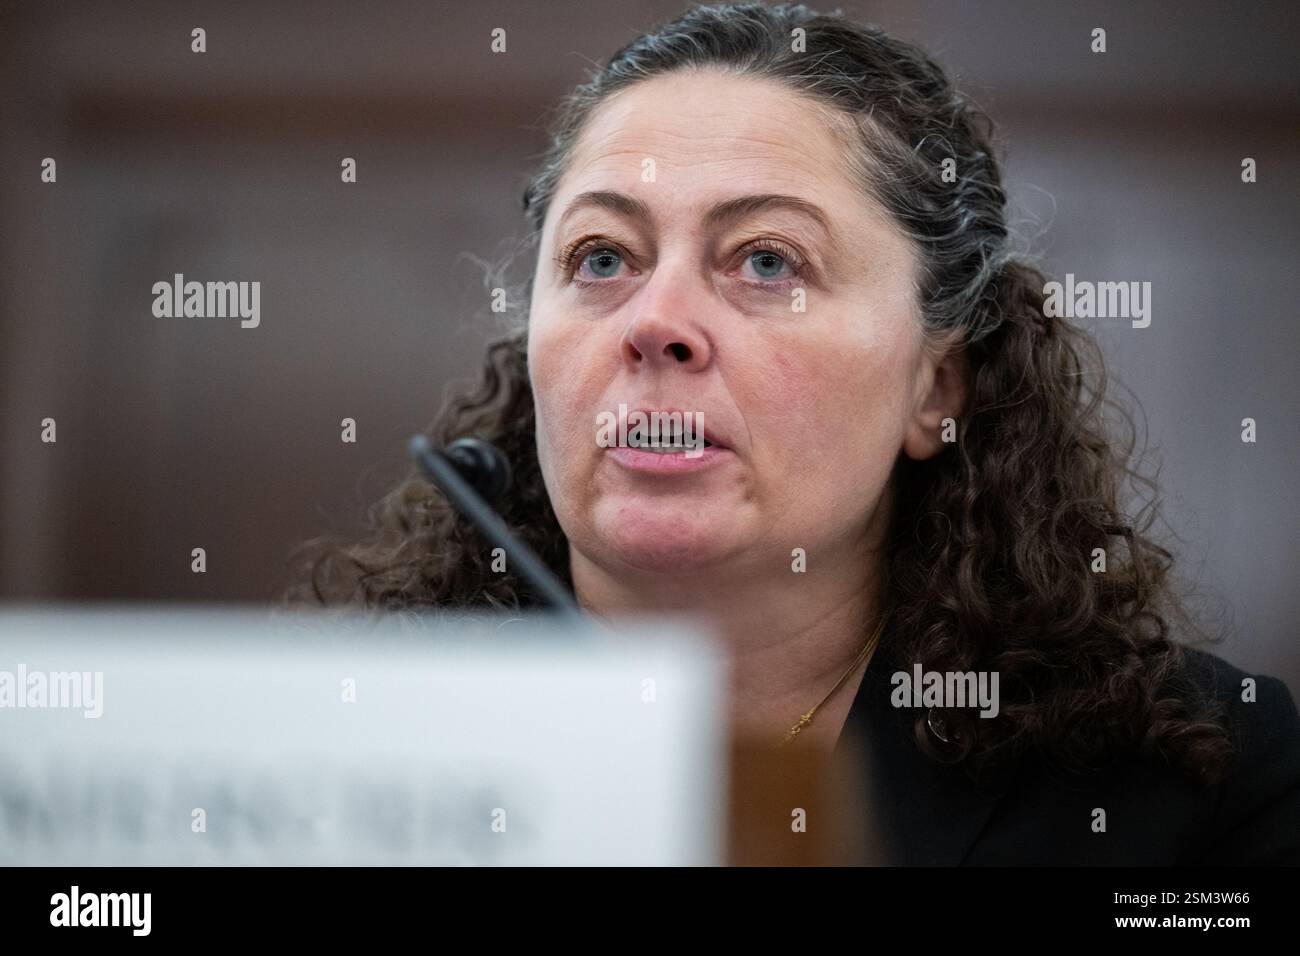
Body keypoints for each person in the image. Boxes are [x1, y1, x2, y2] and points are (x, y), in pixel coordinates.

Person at [284, 2, 1300, 864]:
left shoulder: (1201, 784)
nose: (654, 322)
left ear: (932, 386)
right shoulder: (318, 750)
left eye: (767, 262)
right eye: (602, 258)